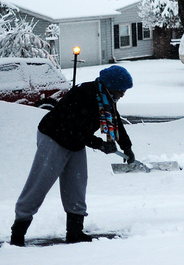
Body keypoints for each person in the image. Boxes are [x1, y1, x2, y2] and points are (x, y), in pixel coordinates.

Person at [9, 65, 135, 245]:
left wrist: (127, 147)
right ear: (111, 86)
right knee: (40, 183)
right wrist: (99, 144)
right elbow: (74, 127)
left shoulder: (106, 99)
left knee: (76, 184)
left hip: (75, 141)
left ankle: (75, 233)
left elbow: (116, 121)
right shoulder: (84, 94)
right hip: (54, 136)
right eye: (121, 89)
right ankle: (18, 233)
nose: (123, 94)